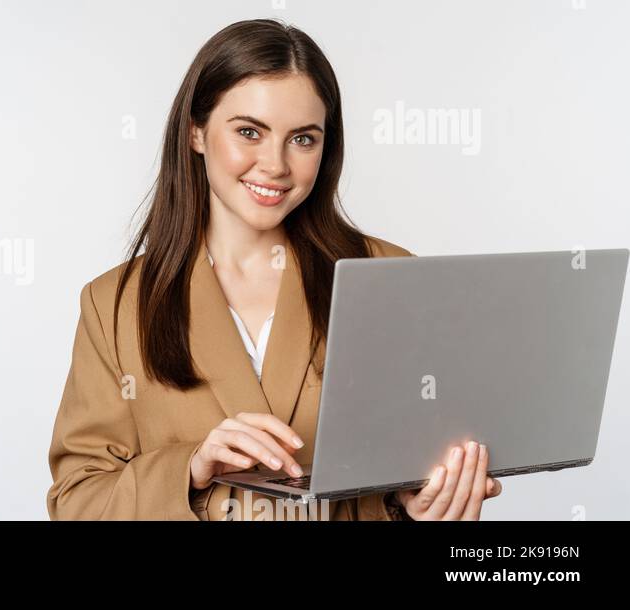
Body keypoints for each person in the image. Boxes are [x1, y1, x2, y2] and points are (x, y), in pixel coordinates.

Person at [46, 19, 503, 521]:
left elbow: (416, 467)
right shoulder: (115, 304)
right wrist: (191, 471)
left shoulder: (389, 275)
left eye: (302, 139)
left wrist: (417, 505)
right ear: (196, 131)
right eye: (249, 132)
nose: (275, 165)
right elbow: (77, 501)